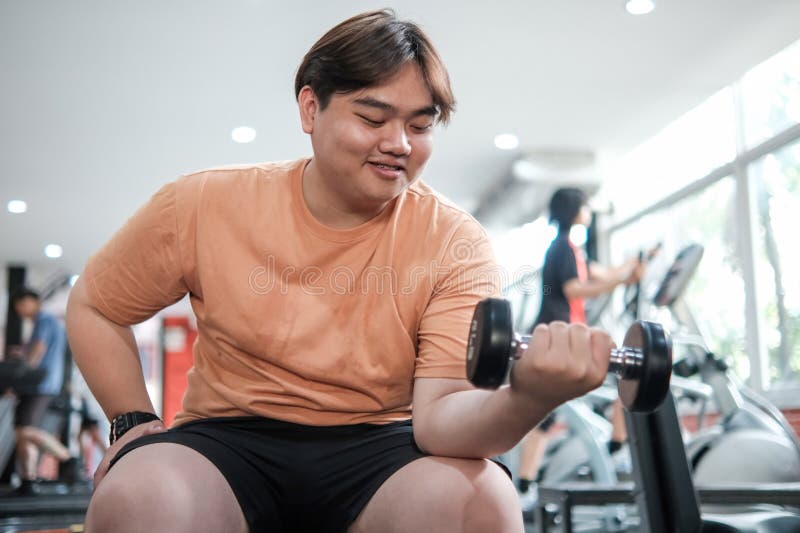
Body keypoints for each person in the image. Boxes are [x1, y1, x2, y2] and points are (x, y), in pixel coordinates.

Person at [66, 10, 618, 533]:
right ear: (310, 109)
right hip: (228, 441)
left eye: (420, 126)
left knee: (484, 505)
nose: (398, 144)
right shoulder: (202, 203)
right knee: (135, 497)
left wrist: (529, 396)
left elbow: (442, 418)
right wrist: (132, 421)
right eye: (373, 118)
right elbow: (96, 305)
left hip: (384, 449)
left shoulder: (455, 241)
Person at [516, 187, 643, 506]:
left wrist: (629, 269)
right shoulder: (561, 248)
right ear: (575, 210)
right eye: (585, 205)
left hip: (561, 333)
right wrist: (617, 281)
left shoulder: (574, 249)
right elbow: (575, 288)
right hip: (557, 334)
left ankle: (525, 482)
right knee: (628, 370)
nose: (589, 210)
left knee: (546, 412)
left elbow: (601, 273)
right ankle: (617, 446)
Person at [10, 287, 79, 492]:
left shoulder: (44, 319)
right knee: (22, 432)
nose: (19, 311)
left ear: (30, 300)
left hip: (39, 385)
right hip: (42, 385)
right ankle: (28, 479)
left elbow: (38, 350)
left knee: (25, 431)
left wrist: (20, 376)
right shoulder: (47, 321)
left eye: (19, 306)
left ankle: (68, 458)